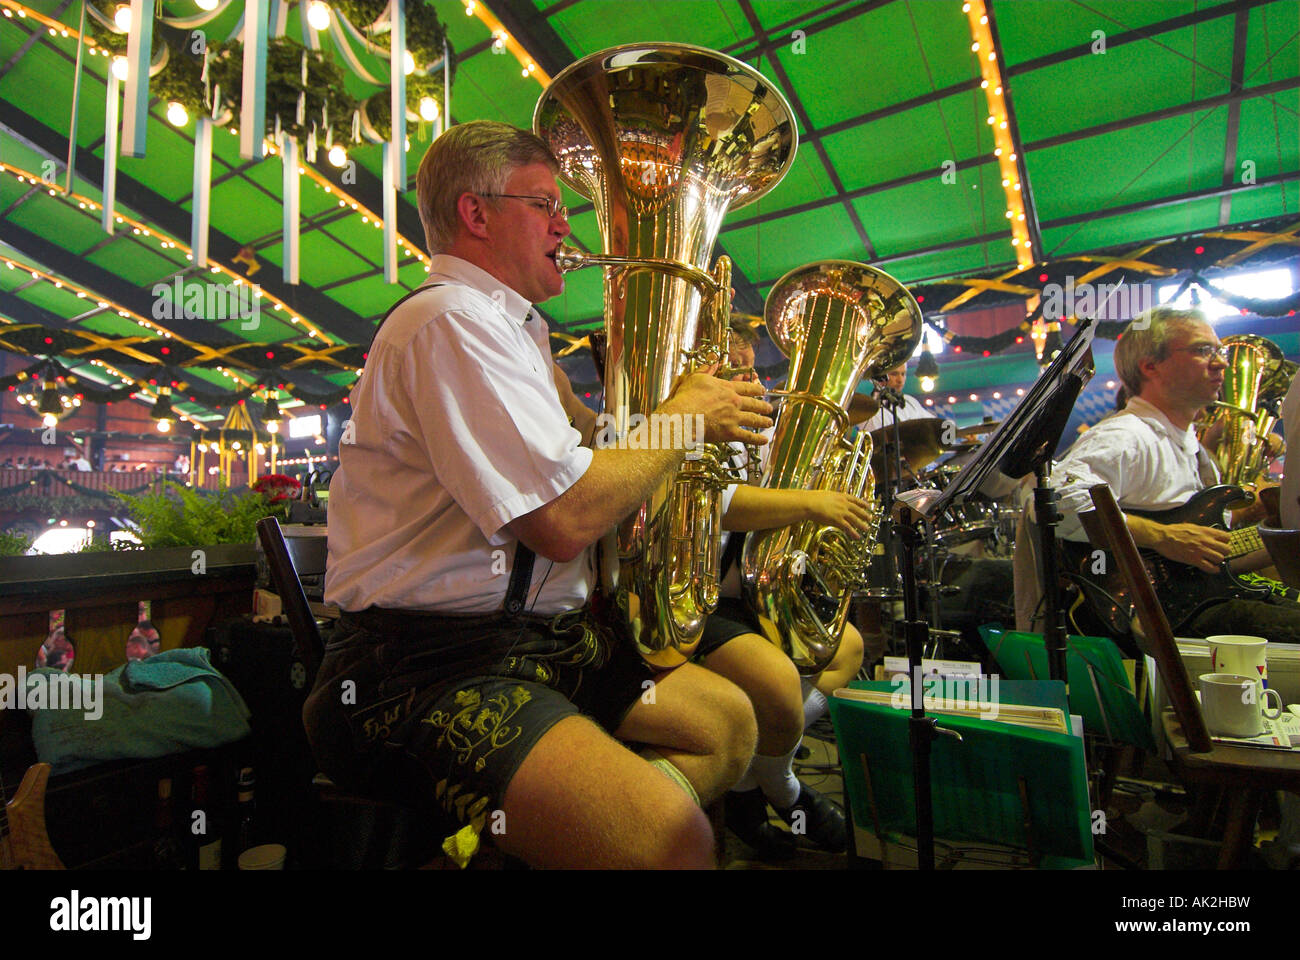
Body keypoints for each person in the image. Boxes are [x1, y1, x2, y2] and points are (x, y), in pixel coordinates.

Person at [305, 120, 775, 869]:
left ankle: (508, 849)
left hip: (536, 647)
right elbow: (561, 521)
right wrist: (685, 416)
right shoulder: (449, 322)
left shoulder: (517, 334)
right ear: (476, 213)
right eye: (544, 204)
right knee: (670, 838)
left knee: (729, 725)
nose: (567, 224)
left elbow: (598, 453)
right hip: (422, 671)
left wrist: (692, 397)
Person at [1018, 306, 1300, 641]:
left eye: (1219, 351)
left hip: (1195, 604)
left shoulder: (1190, 446)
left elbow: (1205, 559)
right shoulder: (1127, 435)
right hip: (1155, 620)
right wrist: (1163, 537)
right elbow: (1052, 500)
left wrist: (1277, 537)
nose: (1221, 362)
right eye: (1202, 350)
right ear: (1150, 366)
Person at [694, 319, 865, 858]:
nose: (753, 384)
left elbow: (780, 503)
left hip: (746, 592)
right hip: (695, 599)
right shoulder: (682, 425)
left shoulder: (759, 434)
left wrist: (826, 484)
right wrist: (814, 503)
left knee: (850, 648)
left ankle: (748, 785)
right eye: (734, 372)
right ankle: (786, 790)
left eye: (752, 371)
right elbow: (724, 506)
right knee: (778, 688)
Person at [856, 362, 936, 433]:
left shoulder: (910, 401)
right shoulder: (871, 413)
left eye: (903, 374)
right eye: (894, 374)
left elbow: (935, 425)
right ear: (880, 377)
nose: (900, 380)